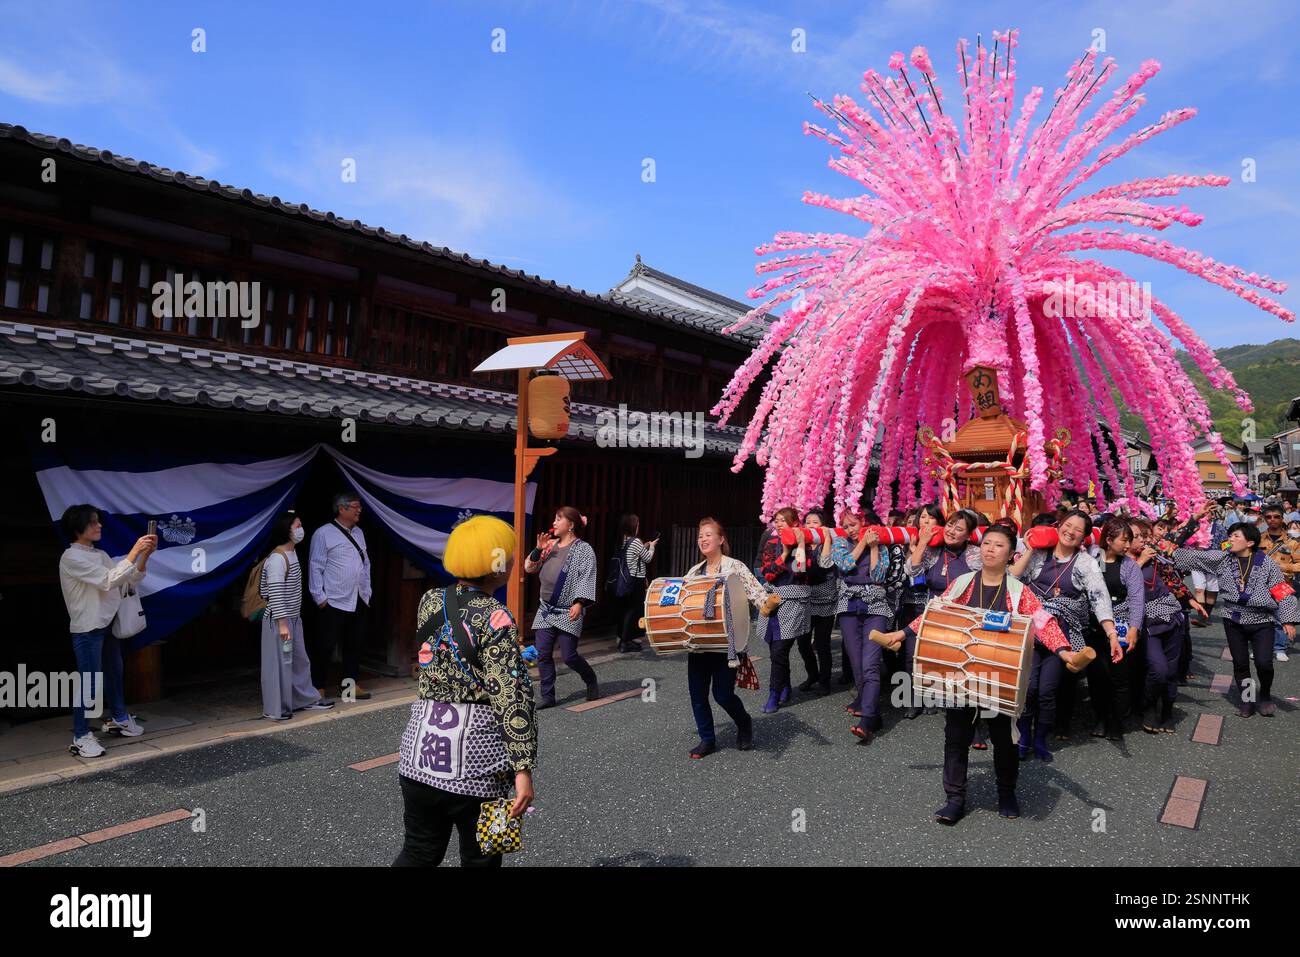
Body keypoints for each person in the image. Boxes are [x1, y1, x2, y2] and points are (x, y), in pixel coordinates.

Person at [870, 526, 1071, 825]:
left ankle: (1006, 793)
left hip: (999, 674)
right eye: (986, 543)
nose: (990, 548)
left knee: (1004, 739)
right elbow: (935, 612)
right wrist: (901, 633)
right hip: (960, 673)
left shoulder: (1018, 591)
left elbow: (1043, 621)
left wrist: (1065, 652)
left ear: (1009, 554)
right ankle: (955, 799)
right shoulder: (963, 582)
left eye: (998, 545)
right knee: (956, 736)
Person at [393, 516, 536, 867]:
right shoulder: (497, 617)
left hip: (420, 754)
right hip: (480, 763)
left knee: (418, 851)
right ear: (497, 565)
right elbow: (511, 697)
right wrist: (523, 770)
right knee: (482, 858)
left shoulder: (430, 600)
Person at [1009, 510, 1114, 760]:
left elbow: (1099, 597)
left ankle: (1041, 739)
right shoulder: (1038, 555)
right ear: (1057, 527)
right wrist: (1032, 547)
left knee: (1046, 690)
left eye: (1078, 529)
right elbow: (1012, 577)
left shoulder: (1086, 562)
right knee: (1029, 688)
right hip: (1029, 632)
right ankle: (1023, 736)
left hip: (1061, 634)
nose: (1071, 532)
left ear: (1084, 537)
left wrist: (1110, 632)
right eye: (1067, 525)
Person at [1173, 511, 1298, 717]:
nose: (1230, 539)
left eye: (1235, 536)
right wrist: (1181, 534)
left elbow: (1282, 592)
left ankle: (1265, 694)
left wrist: (1288, 620)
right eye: (1230, 536)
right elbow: (1188, 556)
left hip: (1262, 619)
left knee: (1263, 663)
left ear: (1250, 543)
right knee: (1240, 663)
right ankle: (1247, 700)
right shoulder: (1222, 558)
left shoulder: (1268, 564)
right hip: (1233, 617)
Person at [57, 505, 156, 758]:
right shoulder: (71, 558)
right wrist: (134, 550)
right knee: (90, 683)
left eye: (98, 521)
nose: (99, 526)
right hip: (88, 629)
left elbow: (127, 581)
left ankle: (119, 718)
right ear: (77, 527)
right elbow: (109, 580)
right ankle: (80, 735)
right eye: (93, 522)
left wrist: (144, 555)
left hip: (107, 624)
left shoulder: (99, 554)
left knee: (114, 673)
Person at [682, 517, 768, 758]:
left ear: (721, 540)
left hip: (727, 643)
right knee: (697, 695)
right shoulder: (694, 572)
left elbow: (756, 592)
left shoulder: (734, 567)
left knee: (722, 695)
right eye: (700, 536)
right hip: (699, 643)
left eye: (708, 534)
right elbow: (683, 602)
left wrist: (767, 606)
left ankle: (744, 722)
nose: (703, 539)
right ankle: (707, 739)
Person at [835, 510, 903, 744]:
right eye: (846, 526)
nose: (850, 529)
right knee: (856, 663)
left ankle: (866, 719)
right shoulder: (840, 543)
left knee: (870, 663)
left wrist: (873, 547)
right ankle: (873, 714)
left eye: (854, 524)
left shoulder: (881, 546)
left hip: (875, 606)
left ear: (863, 522)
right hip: (848, 606)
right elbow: (844, 565)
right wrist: (862, 543)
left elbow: (879, 575)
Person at [1127, 518, 1200, 734]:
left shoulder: (1155, 557)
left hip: (1171, 617)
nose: (1143, 540)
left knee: (1171, 670)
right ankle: (1148, 706)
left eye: (1144, 536)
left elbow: (1173, 577)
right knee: (1158, 669)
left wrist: (1191, 599)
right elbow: (1121, 587)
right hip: (1146, 623)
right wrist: (1139, 562)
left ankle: (1167, 711)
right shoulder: (1120, 561)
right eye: (1137, 537)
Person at [259, 510, 334, 720]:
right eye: (297, 526)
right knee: (279, 666)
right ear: (286, 530)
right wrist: (283, 624)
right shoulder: (277, 559)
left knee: (299, 661)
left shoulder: (292, 554)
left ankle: (304, 700)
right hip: (279, 621)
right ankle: (277, 708)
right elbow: (275, 593)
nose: (301, 529)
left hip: (293, 619)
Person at [525, 505, 600, 708]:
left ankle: (590, 679)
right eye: (555, 519)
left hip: (569, 610)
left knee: (569, 656)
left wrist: (579, 602)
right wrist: (538, 549)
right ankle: (548, 696)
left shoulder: (584, 549)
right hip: (546, 609)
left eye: (559, 519)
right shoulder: (549, 545)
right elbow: (530, 568)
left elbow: (587, 575)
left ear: (571, 525)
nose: (554, 523)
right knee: (542, 653)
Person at [308, 492, 373, 700]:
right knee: (324, 646)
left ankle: (349, 687)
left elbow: (366, 564)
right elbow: (315, 566)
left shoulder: (360, 533)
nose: (359, 510)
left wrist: (367, 590)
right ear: (341, 509)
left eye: (359, 506)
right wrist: (320, 598)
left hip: (358, 597)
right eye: (355, 506)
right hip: (333, 599)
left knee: (354, 645)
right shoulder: (323, 533)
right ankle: (317, 687)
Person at [1087, 517, 1145, 740]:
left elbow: (1137, 600)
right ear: (1109, 540)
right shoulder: (1096, 559)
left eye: (1130, 540)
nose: (1128, 545)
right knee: (1097, 676)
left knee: (1120, 676)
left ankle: (1116, 720)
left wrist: (1134, 628)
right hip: (1095, 626)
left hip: (1121, 626)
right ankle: (1100, 717)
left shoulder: (1129, 565)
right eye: (1124, 540)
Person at [757, 507, 812, 713]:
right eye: (777, 520)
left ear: (795, 524)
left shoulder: (804, 545)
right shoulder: (771, 543)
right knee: (775, 649)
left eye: (784, 520)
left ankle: (773, 694)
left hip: (794, 602)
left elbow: (801, 572)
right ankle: (785, 685)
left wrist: (797, 547)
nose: (779, 524)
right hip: (773, 600)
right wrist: (785, 553)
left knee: (780, 649)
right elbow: (768, 573)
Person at [798, 509, 836, 695]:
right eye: (808, 522)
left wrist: (827, 540)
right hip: (805, 599)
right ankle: (812, 674)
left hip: (825, 599)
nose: (811, 526)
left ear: (823, 526)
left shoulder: (829, 543)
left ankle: (825, 680)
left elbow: (825, 564)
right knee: (803, 642)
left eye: (815, 522)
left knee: (822, 643)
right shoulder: (802, 544)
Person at [610, 513, 657, 654]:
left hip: (622, 580)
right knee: (633, 611)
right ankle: (627, 642)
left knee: (624, 610)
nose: (638, 527)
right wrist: (652, 546)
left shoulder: (622, 540)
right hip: (635, 581)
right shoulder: (635, 541)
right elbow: (647, 558)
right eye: (637, 525)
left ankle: (621, 639)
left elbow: (632, 554)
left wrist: (645, 545)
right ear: (633, 526)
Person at [1258, 504, 1298, 663]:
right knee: (1260, 618)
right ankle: (1261, 647)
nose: (1272, 520)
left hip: (1282, 584)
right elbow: (1230, 547)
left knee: (1282, 616)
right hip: (1259, 585)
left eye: (1276, 516)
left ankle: (1280, 647)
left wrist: (1285, 566)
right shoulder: (1256, 537)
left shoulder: (1293, 542)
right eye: (1268, 517)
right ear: (1264, 519)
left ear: (1283, 518)